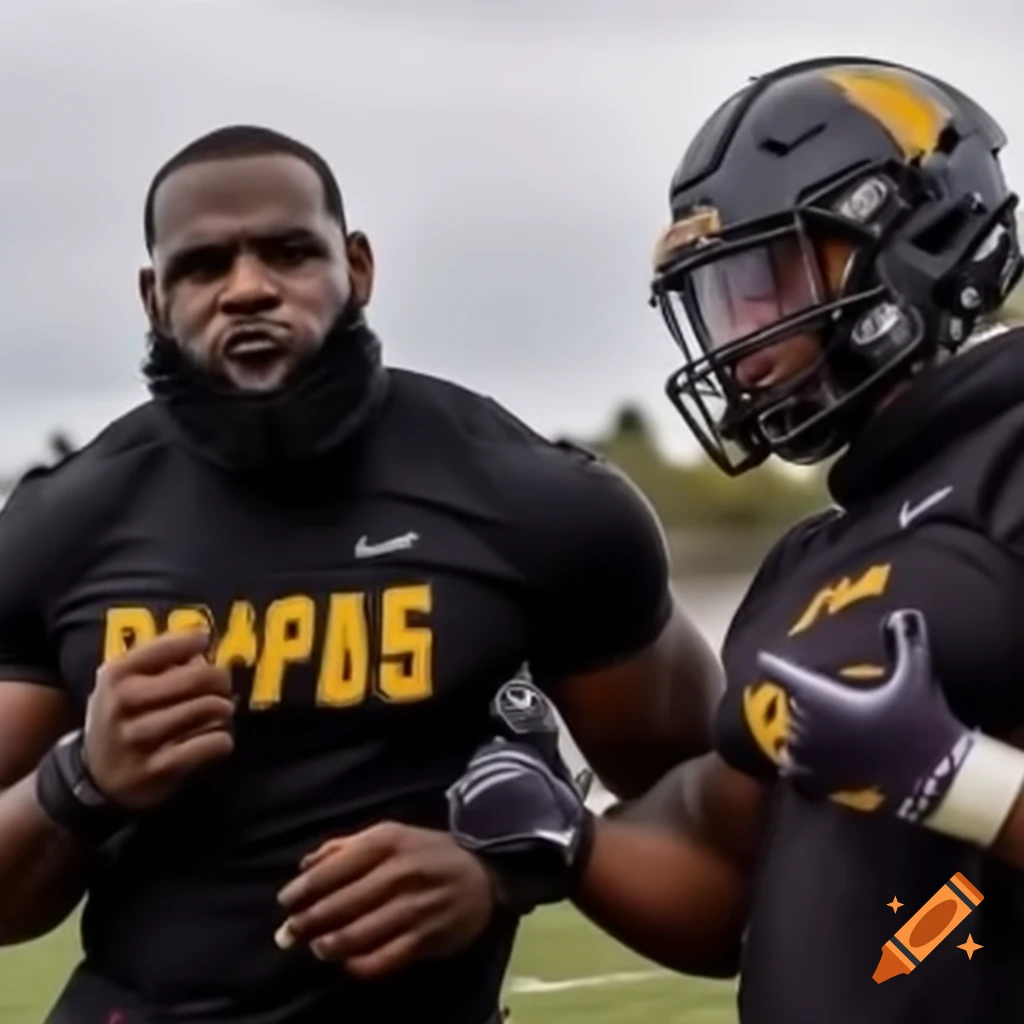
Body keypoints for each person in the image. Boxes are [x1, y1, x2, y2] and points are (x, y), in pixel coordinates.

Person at [0, 125, 723, 1024]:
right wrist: (81, 780)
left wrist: (508, 867)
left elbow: (714, 831)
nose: (248, 287)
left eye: (289, 252)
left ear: (358, 268)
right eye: (203, 265)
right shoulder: (63, 525)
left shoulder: (534, 501)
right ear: (154, 298)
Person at [443, 55, 1024, 1024]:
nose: (739, 338)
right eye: (717, 298)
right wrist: (567, 834)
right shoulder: (813, 558)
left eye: (766, 277)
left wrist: (954, 778)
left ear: (908, 236)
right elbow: (724, 859)